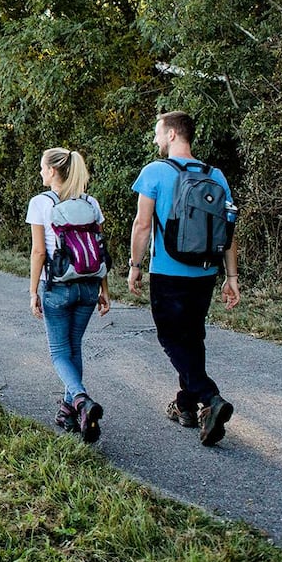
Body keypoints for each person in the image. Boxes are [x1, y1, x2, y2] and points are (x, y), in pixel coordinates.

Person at [127, 110, 241, 447]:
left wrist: (134, 264)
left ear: (173, 134)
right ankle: (186, 406)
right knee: (192, 337)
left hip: (168, 271)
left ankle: (210, 397)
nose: (155, 139)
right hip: (205, 271)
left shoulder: (155, 172)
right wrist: (231, 276)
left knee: (170, 338)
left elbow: (142, 224)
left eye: (157, 133)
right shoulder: (215, 175)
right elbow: (229, 231)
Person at [27, 147, 111, 443]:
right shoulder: (90, 202)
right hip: (88, 286)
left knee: (59, 353)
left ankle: (80, 400)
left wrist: (33, 290)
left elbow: (39, 252)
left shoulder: (41, 203)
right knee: (74, 348)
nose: (40, 172)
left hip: (58, 287)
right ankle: (70, 411)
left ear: (52, 171)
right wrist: (104, 289)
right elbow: (99, 249)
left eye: (42, 168)